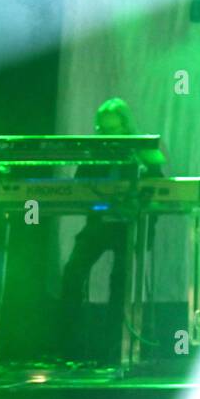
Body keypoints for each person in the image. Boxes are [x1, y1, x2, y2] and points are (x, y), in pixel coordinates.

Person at [59, 98, 159, 365]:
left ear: (126, 128)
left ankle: (115, 351)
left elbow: (158, 190)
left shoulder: (143, 153)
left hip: (129, 227)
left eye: (111, 130)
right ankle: (73, 349)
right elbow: (79, 187)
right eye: (101, 130)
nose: (105, 136)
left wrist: (135, 206)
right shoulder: (95, 153)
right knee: (72, 273)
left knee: (121, 282)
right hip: (100, 225)